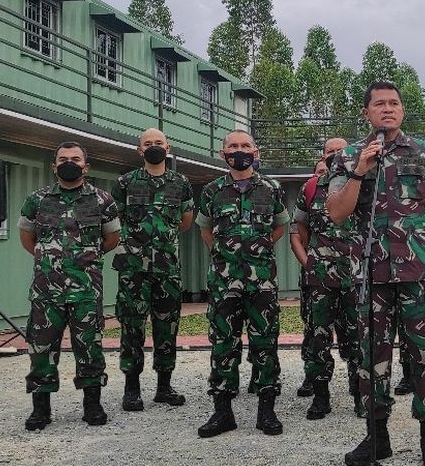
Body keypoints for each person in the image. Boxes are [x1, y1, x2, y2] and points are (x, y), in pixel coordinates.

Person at [326, 80, 425, 466]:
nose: (388, 109)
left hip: (421, 273)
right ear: (366, 112)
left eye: (394, 103)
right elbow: (336, 212)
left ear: (403, 110)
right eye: (379, 104)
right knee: (370, 358)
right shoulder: (349, 156)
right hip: (371, 275)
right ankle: (377, 435)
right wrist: (360, 172)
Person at [19, 142, 120, 431]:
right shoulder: (36, 200)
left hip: (86, 290)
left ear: (86, 167)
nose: (69, 163)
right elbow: (28, 239)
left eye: (75, 159)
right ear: (54, 166)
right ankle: (41, 409)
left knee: (89, 346)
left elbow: (110, 240)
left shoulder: (102, 201)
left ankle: (92, 404)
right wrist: (51, 260)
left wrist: (83, 261)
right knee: (41, 348)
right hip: (46, 291)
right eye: (63, 159)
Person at [195, 130, 289, 439]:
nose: (239, 150)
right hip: (224, 282)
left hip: (261, 281)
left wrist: (256, 252)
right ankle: (223, 412)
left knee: (265, 342)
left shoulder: (272, 189)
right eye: (233, 146)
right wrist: (227, 256)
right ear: (223, 154)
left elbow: (279, 227)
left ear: (256, 152)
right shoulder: (211, 191)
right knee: (224, 343)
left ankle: (267, 411)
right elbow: (206, 231)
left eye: (245, 145)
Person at [112, 128, 195, 412]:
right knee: (132, 326)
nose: (153, 147)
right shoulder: (124, 183)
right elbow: (116, 220)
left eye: (158, 143)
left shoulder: (180, 183)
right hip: (133, 269)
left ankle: (164, 386)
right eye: (148, 144)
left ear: (168, 147)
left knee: (167, 325)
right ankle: (132, 389)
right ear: (139, 150)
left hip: (167, 268)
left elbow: (185, 221)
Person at [292, 152, 360, 420]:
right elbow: (302, 230)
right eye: (330, 151)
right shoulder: (310, 188)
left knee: (358, 338)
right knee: (318, 338)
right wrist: (311, 262)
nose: (335, 156)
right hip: (321, 277)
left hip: (356, 277)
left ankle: (360, 395)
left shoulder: (360, 184)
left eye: (341, 151)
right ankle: (321, 397)